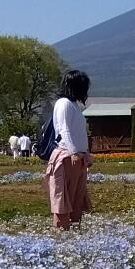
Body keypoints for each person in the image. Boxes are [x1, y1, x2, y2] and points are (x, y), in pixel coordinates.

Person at [47, 69, 91, 231]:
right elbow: (64, 130)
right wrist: (73, 152)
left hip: (78, 156)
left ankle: (72, 232)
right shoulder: (63, 103)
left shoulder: (73, 105)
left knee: (76, 198)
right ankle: (61, 230)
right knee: (63, 197)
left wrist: (84, 153)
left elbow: (78, 132)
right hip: (67, 155)